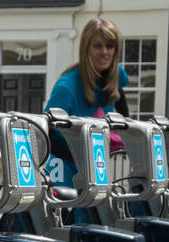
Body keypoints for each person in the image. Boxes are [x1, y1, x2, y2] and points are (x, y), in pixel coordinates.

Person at [45, 18, 130, 186]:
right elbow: (46, 133)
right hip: (64, 165)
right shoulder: (67, 87)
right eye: (98, 46)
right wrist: (81, 155)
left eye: (110, 46)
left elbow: (125, 118)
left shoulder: (116, 76)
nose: (105, 52)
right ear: (86, 48)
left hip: (94, 164)